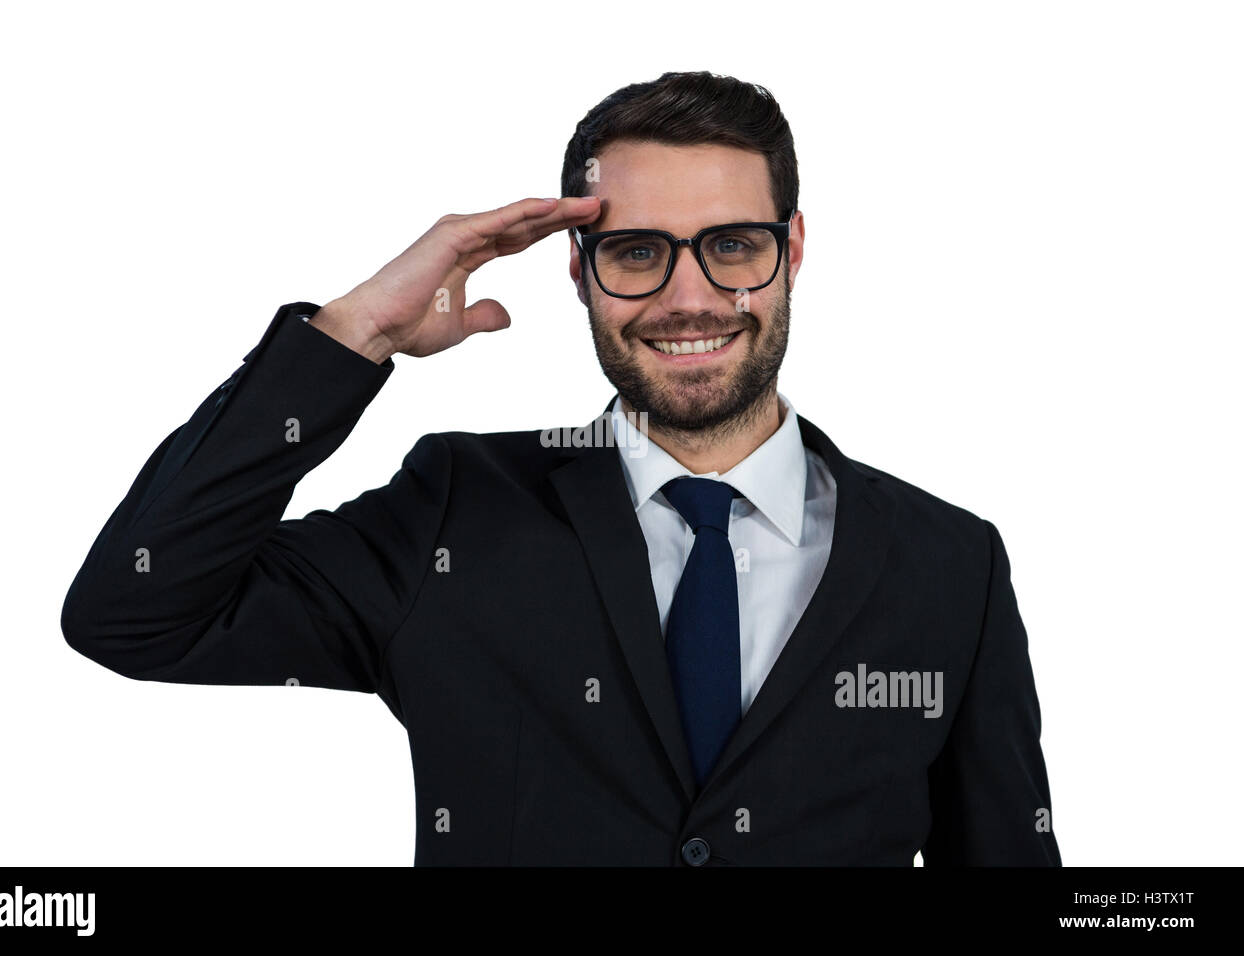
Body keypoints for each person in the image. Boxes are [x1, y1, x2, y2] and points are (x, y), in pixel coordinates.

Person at [61, 71, 1061, 866]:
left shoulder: (949, 562)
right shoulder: (453, 513)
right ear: (578, 270)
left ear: (791, 249)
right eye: (635, 252)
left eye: (731, 245)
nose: (689, 296)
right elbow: (135, 610)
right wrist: (349, 335)